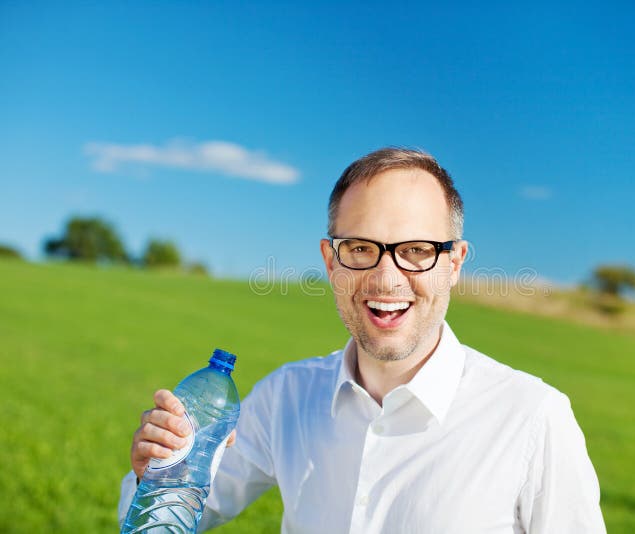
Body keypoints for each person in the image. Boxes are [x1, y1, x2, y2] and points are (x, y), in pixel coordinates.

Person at [119, 148, 606, 533]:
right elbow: (172, 517)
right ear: (331, 263)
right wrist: (154, 472)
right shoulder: (285, 397)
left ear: (454, 263)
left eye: (417, 250)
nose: (386, 277)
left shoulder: (534, 418)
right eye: (360, 249)